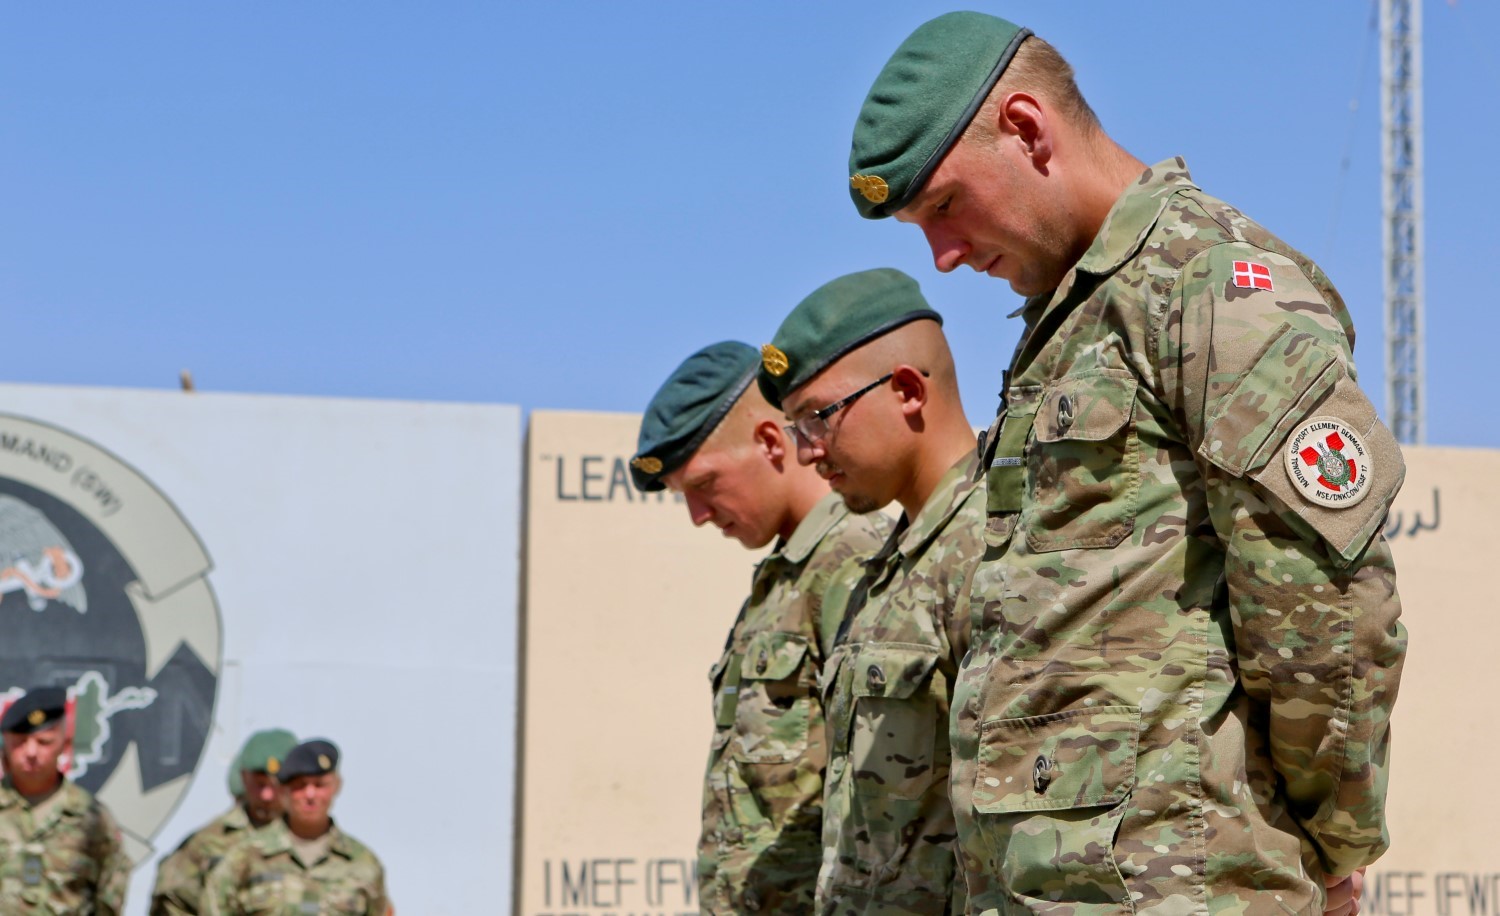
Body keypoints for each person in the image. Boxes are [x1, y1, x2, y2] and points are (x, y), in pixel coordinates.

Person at [845, 12, 1407, 914]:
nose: (943, 259)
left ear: (1028, 130)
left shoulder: (1207, 283)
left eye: (945, 207)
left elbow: (1326, 607)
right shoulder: (1069, 323)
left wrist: (1332, 844)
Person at [631, 340, 890, 914]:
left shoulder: (851, 561)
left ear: (772, 442)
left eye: (702, 485)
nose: (699, 516)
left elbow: (887, 803)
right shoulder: (784, 579)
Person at [757, 268, 984, 915]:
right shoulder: (883, 571)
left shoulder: (1001, 549)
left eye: (817, 419)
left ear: (908, 390)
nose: (806, 453)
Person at [204, 739, 390, 916]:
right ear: (284, 790)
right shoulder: (246, 859)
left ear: (336, 786)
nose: (310, 795)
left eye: (320, 785)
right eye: (300, 786)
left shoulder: (363, 865)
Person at [0, 686, 130, 914]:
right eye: (20, 742)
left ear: (64, 743)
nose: (31, 752)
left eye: (44, 742)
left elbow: (109, 896)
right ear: (6, 745)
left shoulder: (92, 818)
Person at [151, 728, 299, 915]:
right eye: (259, 784)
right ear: (244, 778)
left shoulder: (314, 841)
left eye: (275, 785)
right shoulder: (209, 842)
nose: (266, 795)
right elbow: (172, 899)